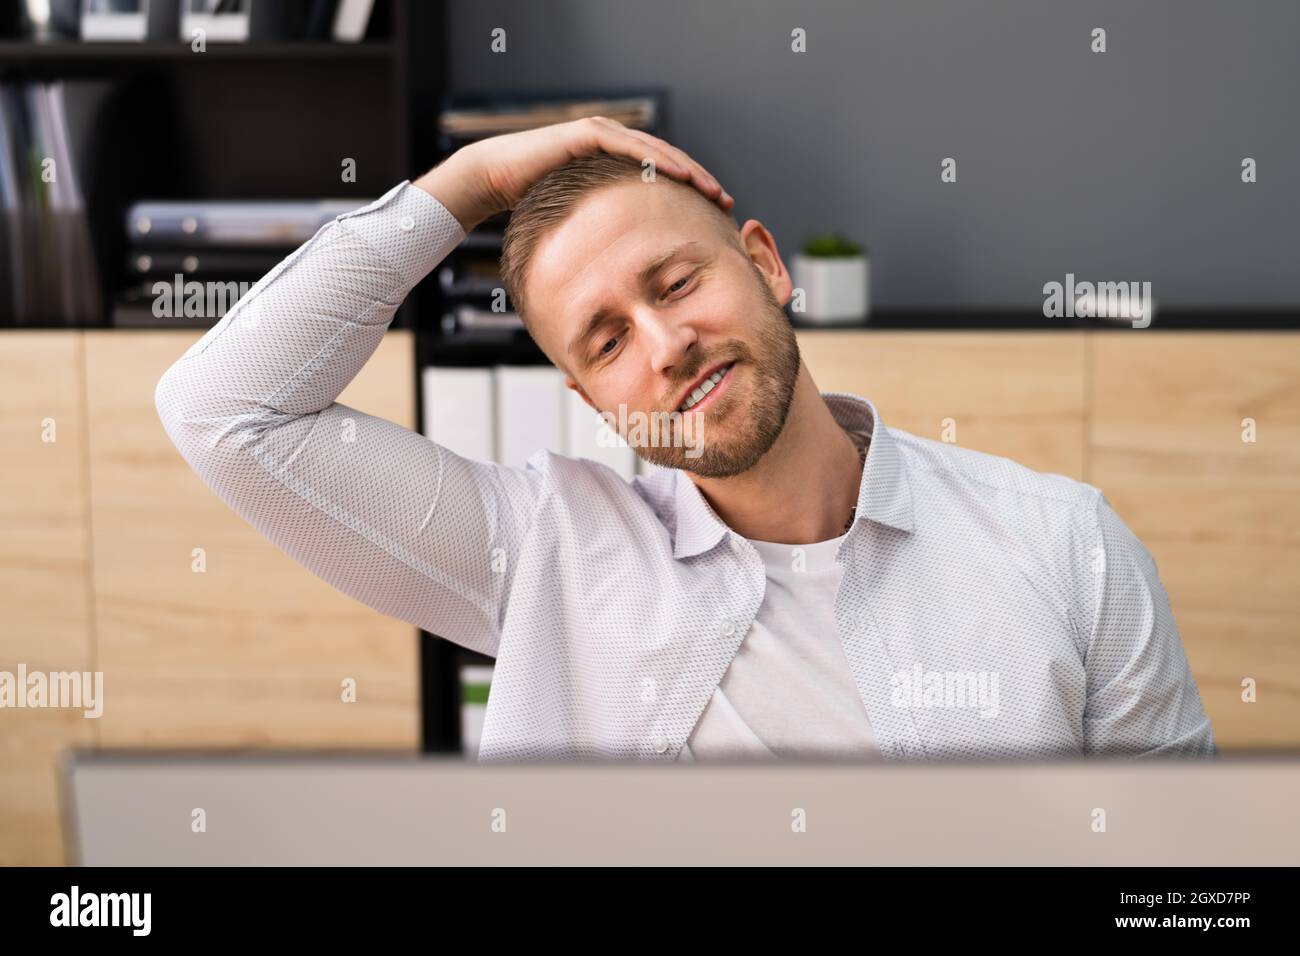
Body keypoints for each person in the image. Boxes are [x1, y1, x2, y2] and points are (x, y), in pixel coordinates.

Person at [155, 117, 1216, 762]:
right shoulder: (540, 551)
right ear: (588, 396)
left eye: (675, 283)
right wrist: (469, 183)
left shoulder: (1065, 543)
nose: (664, 345)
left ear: (764, 263)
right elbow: (226, 410)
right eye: (607, 338)